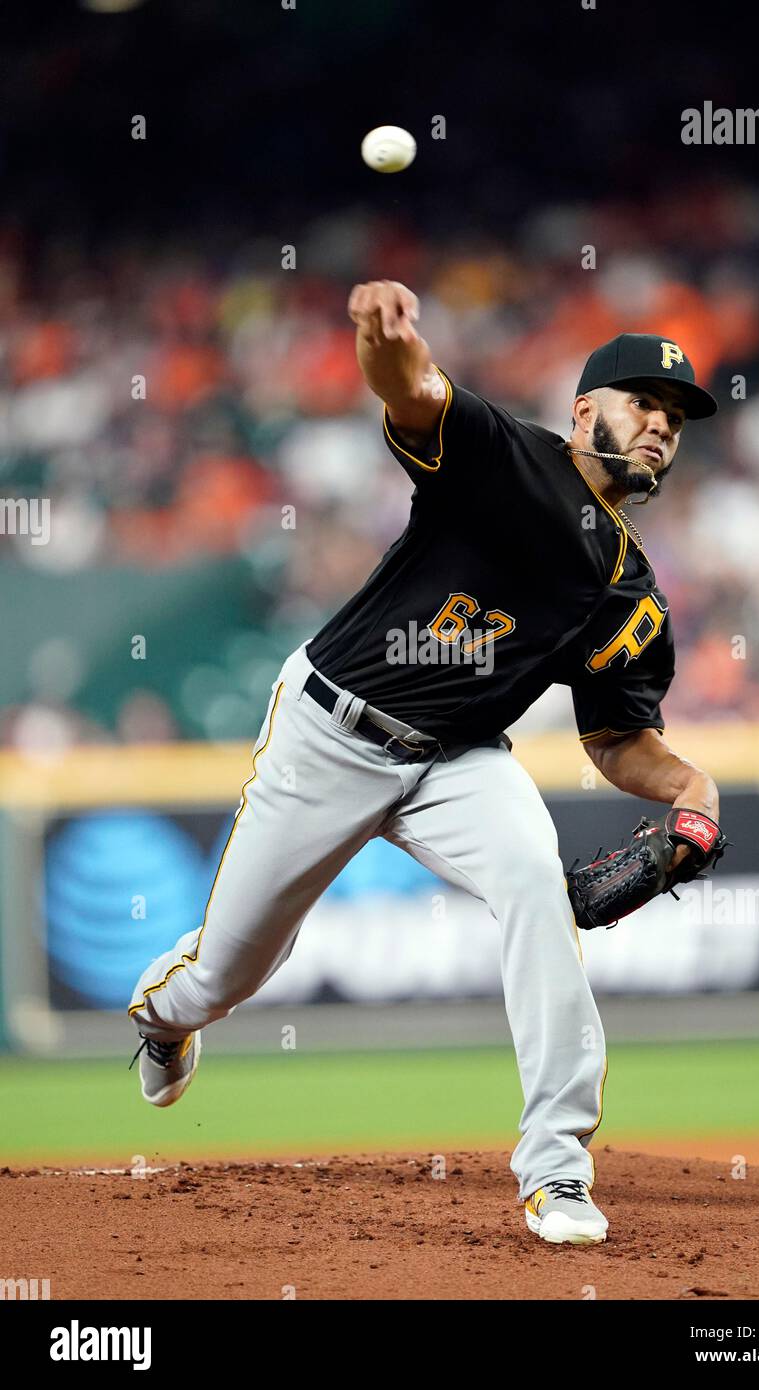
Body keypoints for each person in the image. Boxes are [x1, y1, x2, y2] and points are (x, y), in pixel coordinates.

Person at [128, 280, 720, 1247]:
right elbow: (412, 395)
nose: (660, 424)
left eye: (675, 416)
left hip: (459, 763)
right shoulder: (506, 456)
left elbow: (614, 740)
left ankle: (557, 1172)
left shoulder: (632, 589)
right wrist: (383, 338)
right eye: (643, 402)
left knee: (538, 886)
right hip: (330, 730)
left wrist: (692, 788)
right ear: (585, 411)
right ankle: (162, 1018)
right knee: (228, 974)